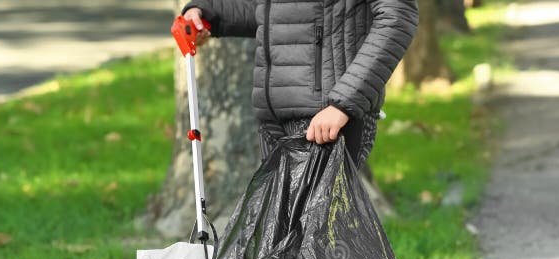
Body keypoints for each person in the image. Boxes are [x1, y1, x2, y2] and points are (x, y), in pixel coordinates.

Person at [179, 0, 419, 170]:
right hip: (274, 119)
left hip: (325, 120)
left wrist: (343, 104)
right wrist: (207, 11)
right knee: (287, 235)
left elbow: (397, 18)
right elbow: (272, 8)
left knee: (319, 236)